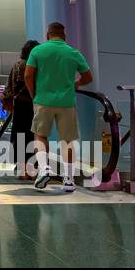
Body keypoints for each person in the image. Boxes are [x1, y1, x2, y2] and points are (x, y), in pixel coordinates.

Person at [24, 22, 93, 193]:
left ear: (48, 35)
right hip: (67, 103)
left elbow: (27, 75)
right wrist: (76, 84)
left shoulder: (38, 51)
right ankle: (68, 180)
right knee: (68, 141)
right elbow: (88, 77)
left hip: (43, 101)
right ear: (64, 36)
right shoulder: (73, 52)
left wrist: (35, 95)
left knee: (40, 136)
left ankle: (44, 168)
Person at [3, 39, 40, 180]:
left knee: (19, 137)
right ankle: (32, 169)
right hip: (34, 105)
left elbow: (9, 87)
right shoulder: (37, 66)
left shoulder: (18, 65)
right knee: (33, 136)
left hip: (19, 106)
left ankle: (22, 170)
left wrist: (8, 103)